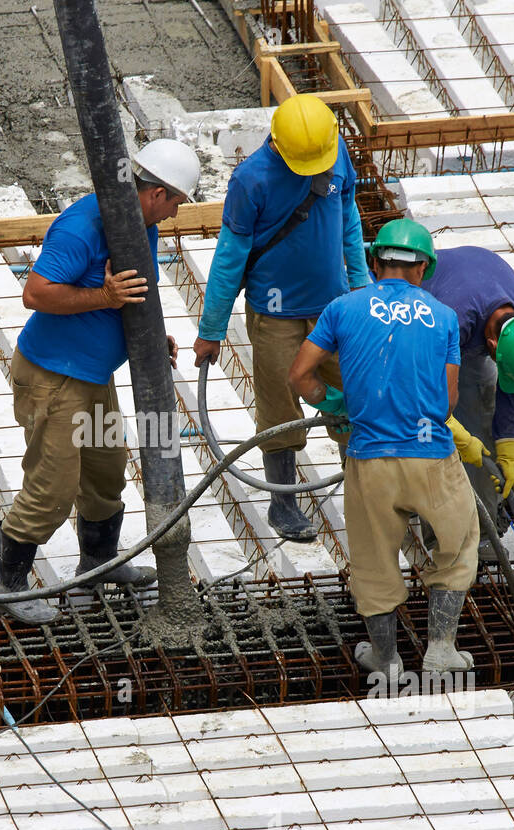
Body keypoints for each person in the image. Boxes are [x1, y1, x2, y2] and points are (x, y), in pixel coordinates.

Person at [0, 138, 200, 625]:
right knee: (52, 487)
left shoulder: (137, 224)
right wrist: (103, 297)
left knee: (106, 471)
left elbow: (127, 293)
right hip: (54, 379)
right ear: (157, 193)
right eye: (177, 204)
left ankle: (98, 562)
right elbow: (36, 293)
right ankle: (10, 586)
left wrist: (149, 337)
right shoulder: (83, 226)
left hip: (94, 377)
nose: (175, 215)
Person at [288, 219, 479, 678]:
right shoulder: (445, 316)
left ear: (375, 263)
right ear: (422, 269)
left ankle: (387, 659)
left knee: (374, 560)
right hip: (431, 455)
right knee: (457, 547)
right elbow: (448, 399)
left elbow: (298, 376)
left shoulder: (342, 308)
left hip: (369, 456)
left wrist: (335, 403)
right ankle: (440, 649)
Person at [192, 93, 370, 543]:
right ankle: (284, 501)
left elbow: (348, 221)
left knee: (354, 395)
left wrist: (363, 288)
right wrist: (211, 330)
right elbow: (230, 257)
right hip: (275, 316)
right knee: (278, 404)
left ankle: (366, 487)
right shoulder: (251, 180)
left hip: (334, 308)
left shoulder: (335, 155)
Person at [421, 246, 514, 516]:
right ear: (492, 344)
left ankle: (482, 522)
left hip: (469, 336)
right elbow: (421, 384)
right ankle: (432, 521)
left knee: (482, 414)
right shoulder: (453, 317)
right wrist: (453, 429)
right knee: (428, 432)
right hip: (422, 333)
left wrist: (508, 444)